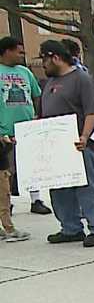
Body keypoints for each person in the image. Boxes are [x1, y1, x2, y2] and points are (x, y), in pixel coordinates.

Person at [39, 39, 94, 247]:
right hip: (54, 145)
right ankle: (70, 228)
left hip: (78, 144)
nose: (43, 65)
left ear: (56, 58)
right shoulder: (49, 83)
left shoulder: (81, 79)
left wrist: (84, 137)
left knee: (86, 186)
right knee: (59, 187)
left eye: (45, 59)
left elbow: (91, 112)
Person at [0, 36, 39, 242]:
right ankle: (7, 226)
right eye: (18, 51)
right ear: (6, 51)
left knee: (31, 171)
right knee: (4, 182)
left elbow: (36, 95)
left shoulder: (25, 72)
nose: (21, 55)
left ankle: (36, 200)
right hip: (3, 137)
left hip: (26, 132)